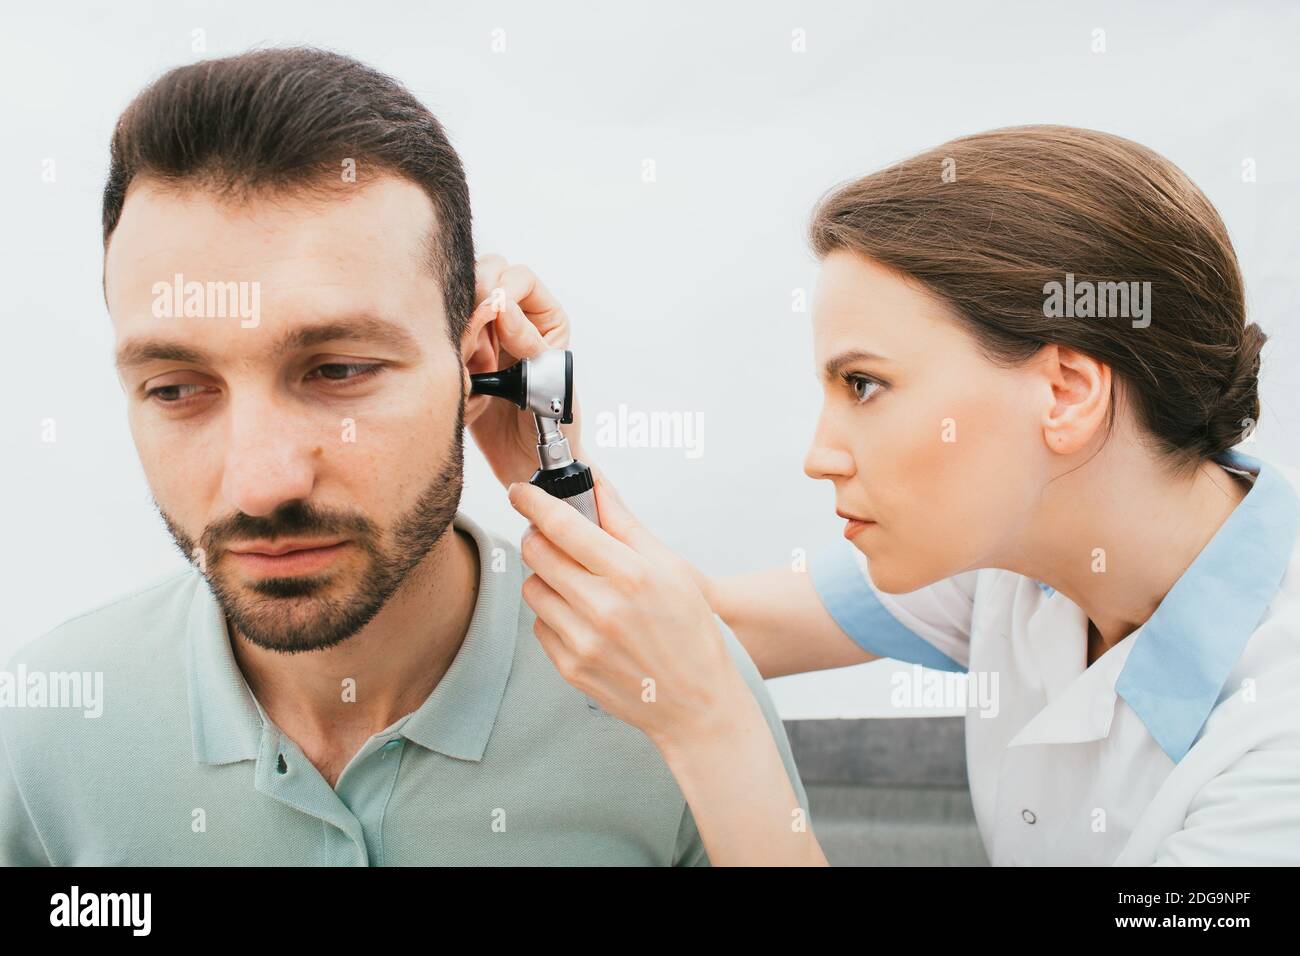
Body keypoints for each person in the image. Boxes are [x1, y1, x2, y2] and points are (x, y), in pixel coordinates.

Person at [0, 47, 807, 866]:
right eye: (175, 389)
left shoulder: (679, 697)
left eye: (340, 370)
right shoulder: (47, 727)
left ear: (477, 370)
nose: (260, 481)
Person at [505, 125, 1300, 865]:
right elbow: (697, 625)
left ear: (1064, 393)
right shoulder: (1015, 561)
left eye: (865, 383)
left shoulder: (1277, 752)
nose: (820, 457)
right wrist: (540, 445)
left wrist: (712, 730)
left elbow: (693, 666)